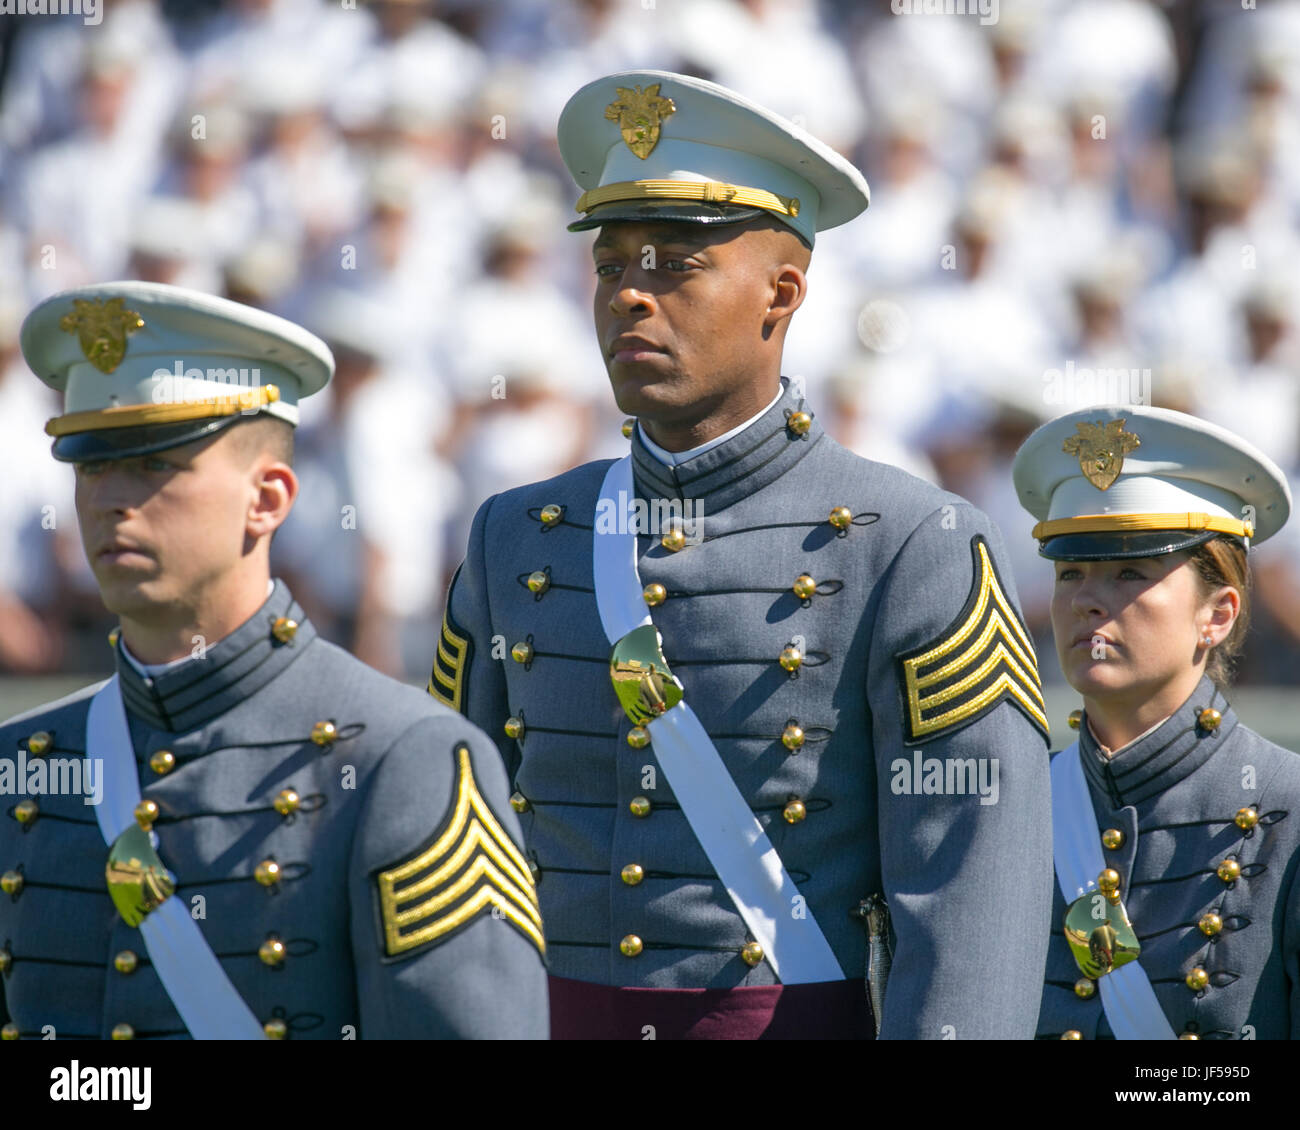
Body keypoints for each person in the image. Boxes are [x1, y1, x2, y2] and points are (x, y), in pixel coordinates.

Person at [432, 69, 1054, 1040]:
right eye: (610, 267)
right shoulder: (513, 534)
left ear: (782, 290)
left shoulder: (915, 544)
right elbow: (451, 859)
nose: (630, 296)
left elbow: (972, 900)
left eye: (674, 264)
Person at [0, 281, 548, 1040]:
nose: (111, 501)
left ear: (267, 499)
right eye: (92, 464)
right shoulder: (21, 760)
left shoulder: (409, 758)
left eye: (155, 465)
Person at [1013, 404, 1300, 1039]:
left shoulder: (1290, 806)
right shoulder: (1009, 804)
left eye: (1130, 573)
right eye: (1070, 573)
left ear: (1218, 614)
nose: (1087, 599)